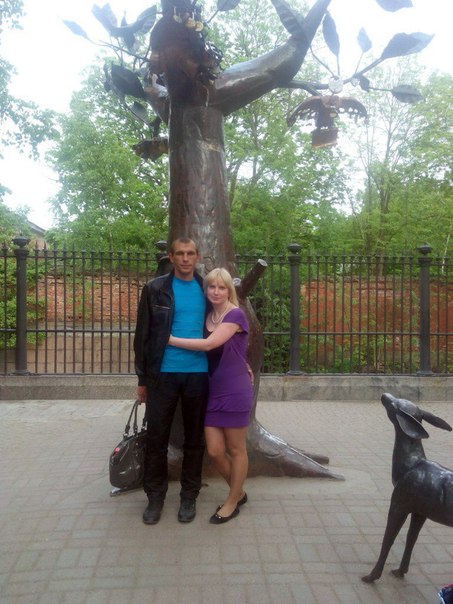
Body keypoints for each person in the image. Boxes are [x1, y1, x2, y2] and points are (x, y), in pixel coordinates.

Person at [168, 267, 253, 524]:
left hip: (234, 389)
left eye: (222, 287)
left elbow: (208, 344)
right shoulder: (208, 315)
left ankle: (232, 501)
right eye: (212, 287)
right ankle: (239, 491)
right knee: (215, 451)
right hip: (213, 389)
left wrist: (168, 339)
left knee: (236, 449)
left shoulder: (235, 314)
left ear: (229, 290)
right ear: (206, 291)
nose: (216, 291)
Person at [134, 237, 209, 525]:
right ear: (171, 256)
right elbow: (142, 336)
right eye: (180, 253)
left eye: (190, 253)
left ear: (197, 256)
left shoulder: (208, 289)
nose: (185, 258)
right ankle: (155, 497)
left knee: (194, 439)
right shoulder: (155, 289)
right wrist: (142, 379)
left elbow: (226, 326)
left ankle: (189, 496)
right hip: (162, 374)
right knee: (157, 438)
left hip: (198, 374)